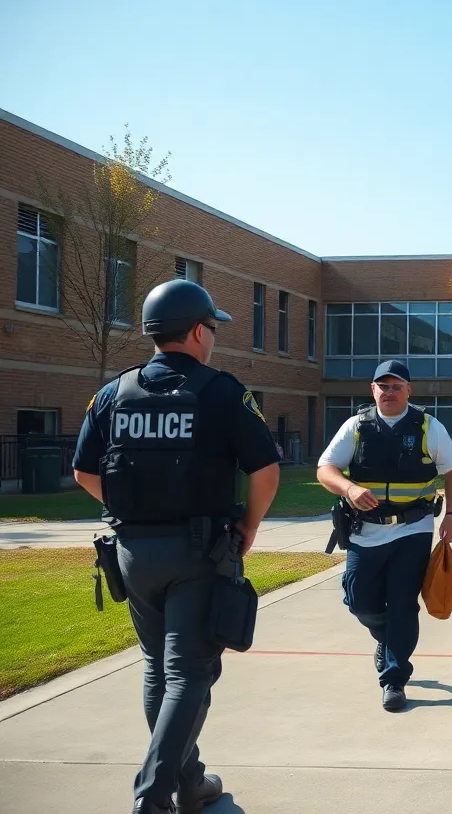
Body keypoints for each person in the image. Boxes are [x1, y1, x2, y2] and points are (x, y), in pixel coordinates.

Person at [71, 279, 282, 814]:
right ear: (196, 331)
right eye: (212, 328)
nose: (214, 338)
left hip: (133, 552)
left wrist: (134, 510)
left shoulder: (114, 393)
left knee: (157, 669)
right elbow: (265, 471)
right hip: (198, 551)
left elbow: (84, 472)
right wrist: (250, 525)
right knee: (189, 673)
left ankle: (190, 783)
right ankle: (152, 796)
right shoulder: (223, 391)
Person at [316, 360, 452, 712]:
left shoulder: (428, 426)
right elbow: (325, 468)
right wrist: (349, 488)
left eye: (397, 386)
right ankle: (386, 637)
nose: (390, 392)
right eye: (383, 386)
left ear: (409, 391)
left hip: (413, 529)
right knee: (359, 601)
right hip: (365, 531)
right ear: (373, 390)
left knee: (402, 603)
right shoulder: (357, 426)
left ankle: (394, 679)